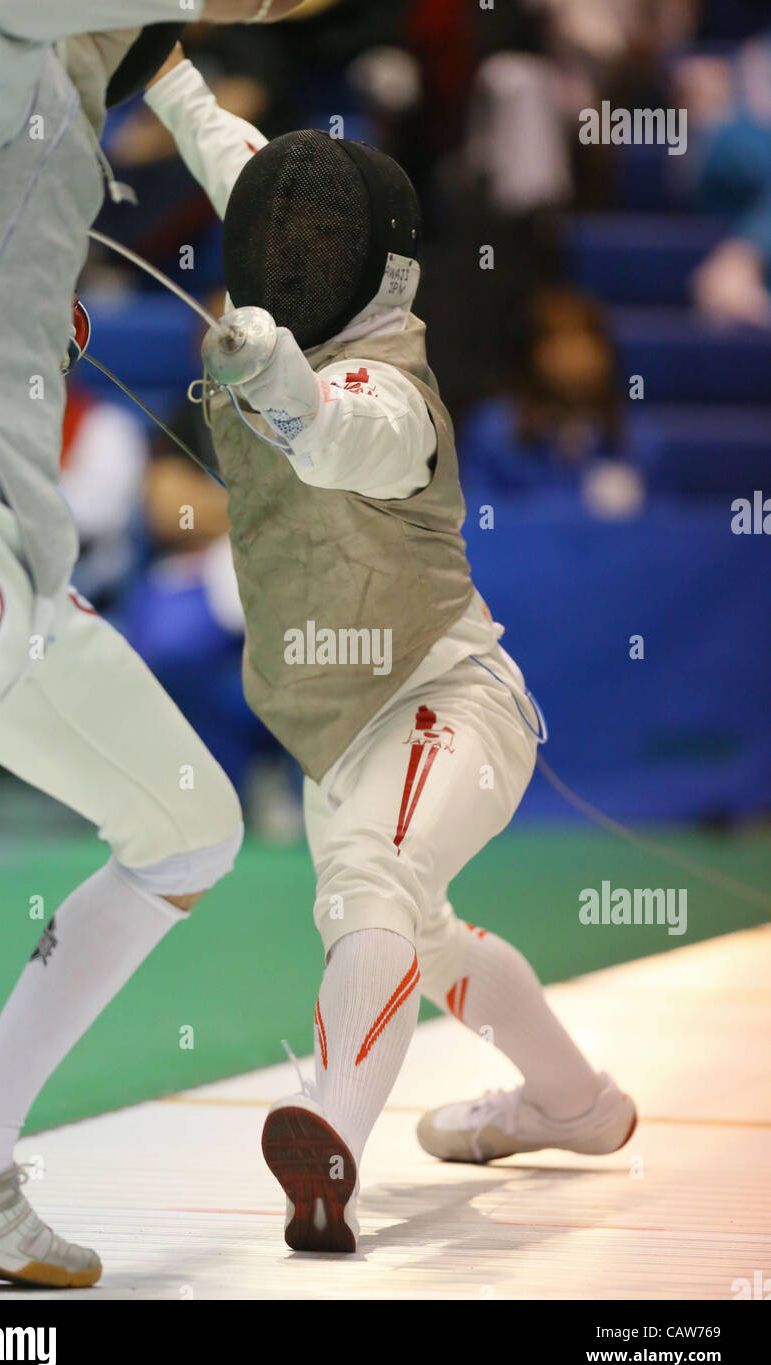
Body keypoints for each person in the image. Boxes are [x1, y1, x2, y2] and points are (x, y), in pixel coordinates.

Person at [145, 46, 638, 1255]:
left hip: (445, 702)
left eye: (310, 238)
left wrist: (279, 386)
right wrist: (160, 69)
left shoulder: (388, 384)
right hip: (335, 732)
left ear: (363, 265)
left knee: (373, 889)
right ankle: (575, 1103)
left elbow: (338, 441)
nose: (284, 245)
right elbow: (246, 172)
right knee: (417, 936)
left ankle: (331, 1141)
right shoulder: (302, 266)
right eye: (284, 232)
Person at [0, 0, 302, 1289]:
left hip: (16, 549)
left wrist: (187, 84)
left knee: (189, 820)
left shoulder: (73, 116)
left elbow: (213, 139)